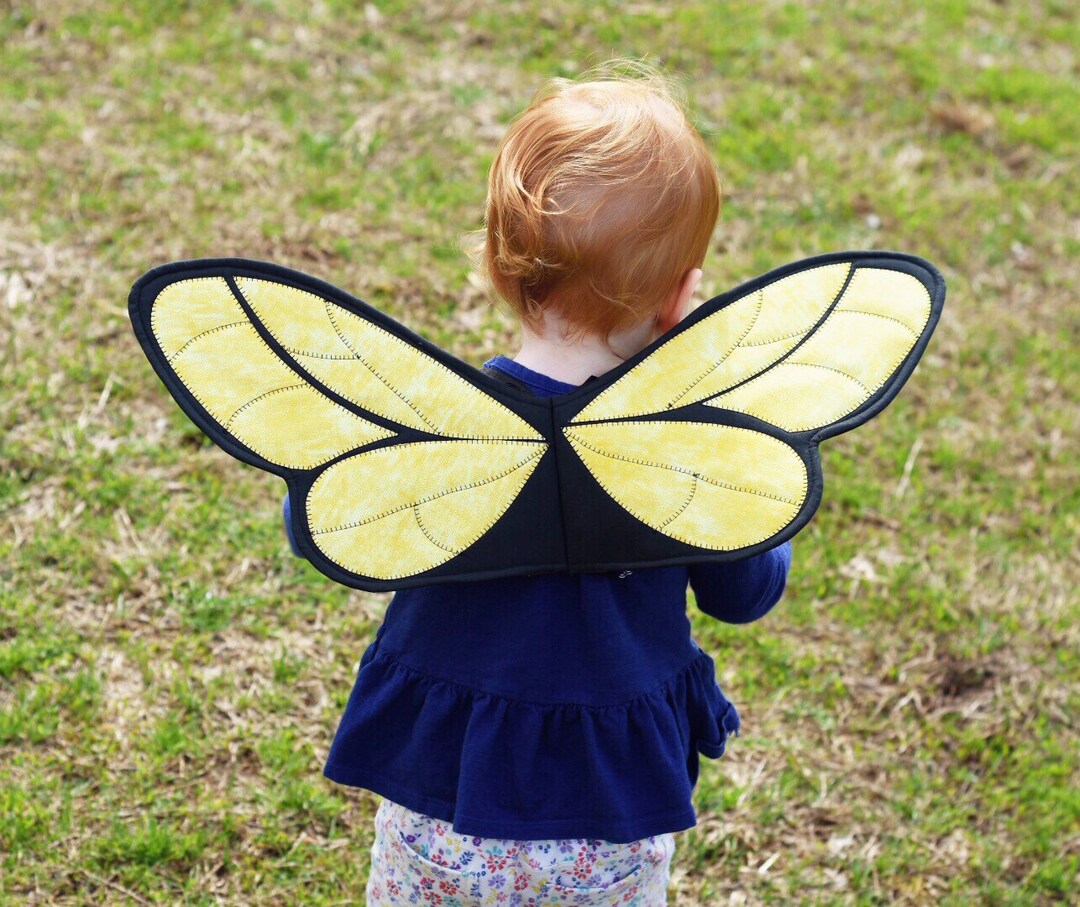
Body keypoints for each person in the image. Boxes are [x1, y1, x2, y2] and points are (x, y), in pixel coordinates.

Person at [283, 60, 793, 906]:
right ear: (681, 299)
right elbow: (743, 591)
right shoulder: (676, 446)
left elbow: (322, 530)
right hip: (606, 822)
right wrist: (756, 491)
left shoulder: (443, 429)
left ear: (499, 264)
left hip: (442, 807)